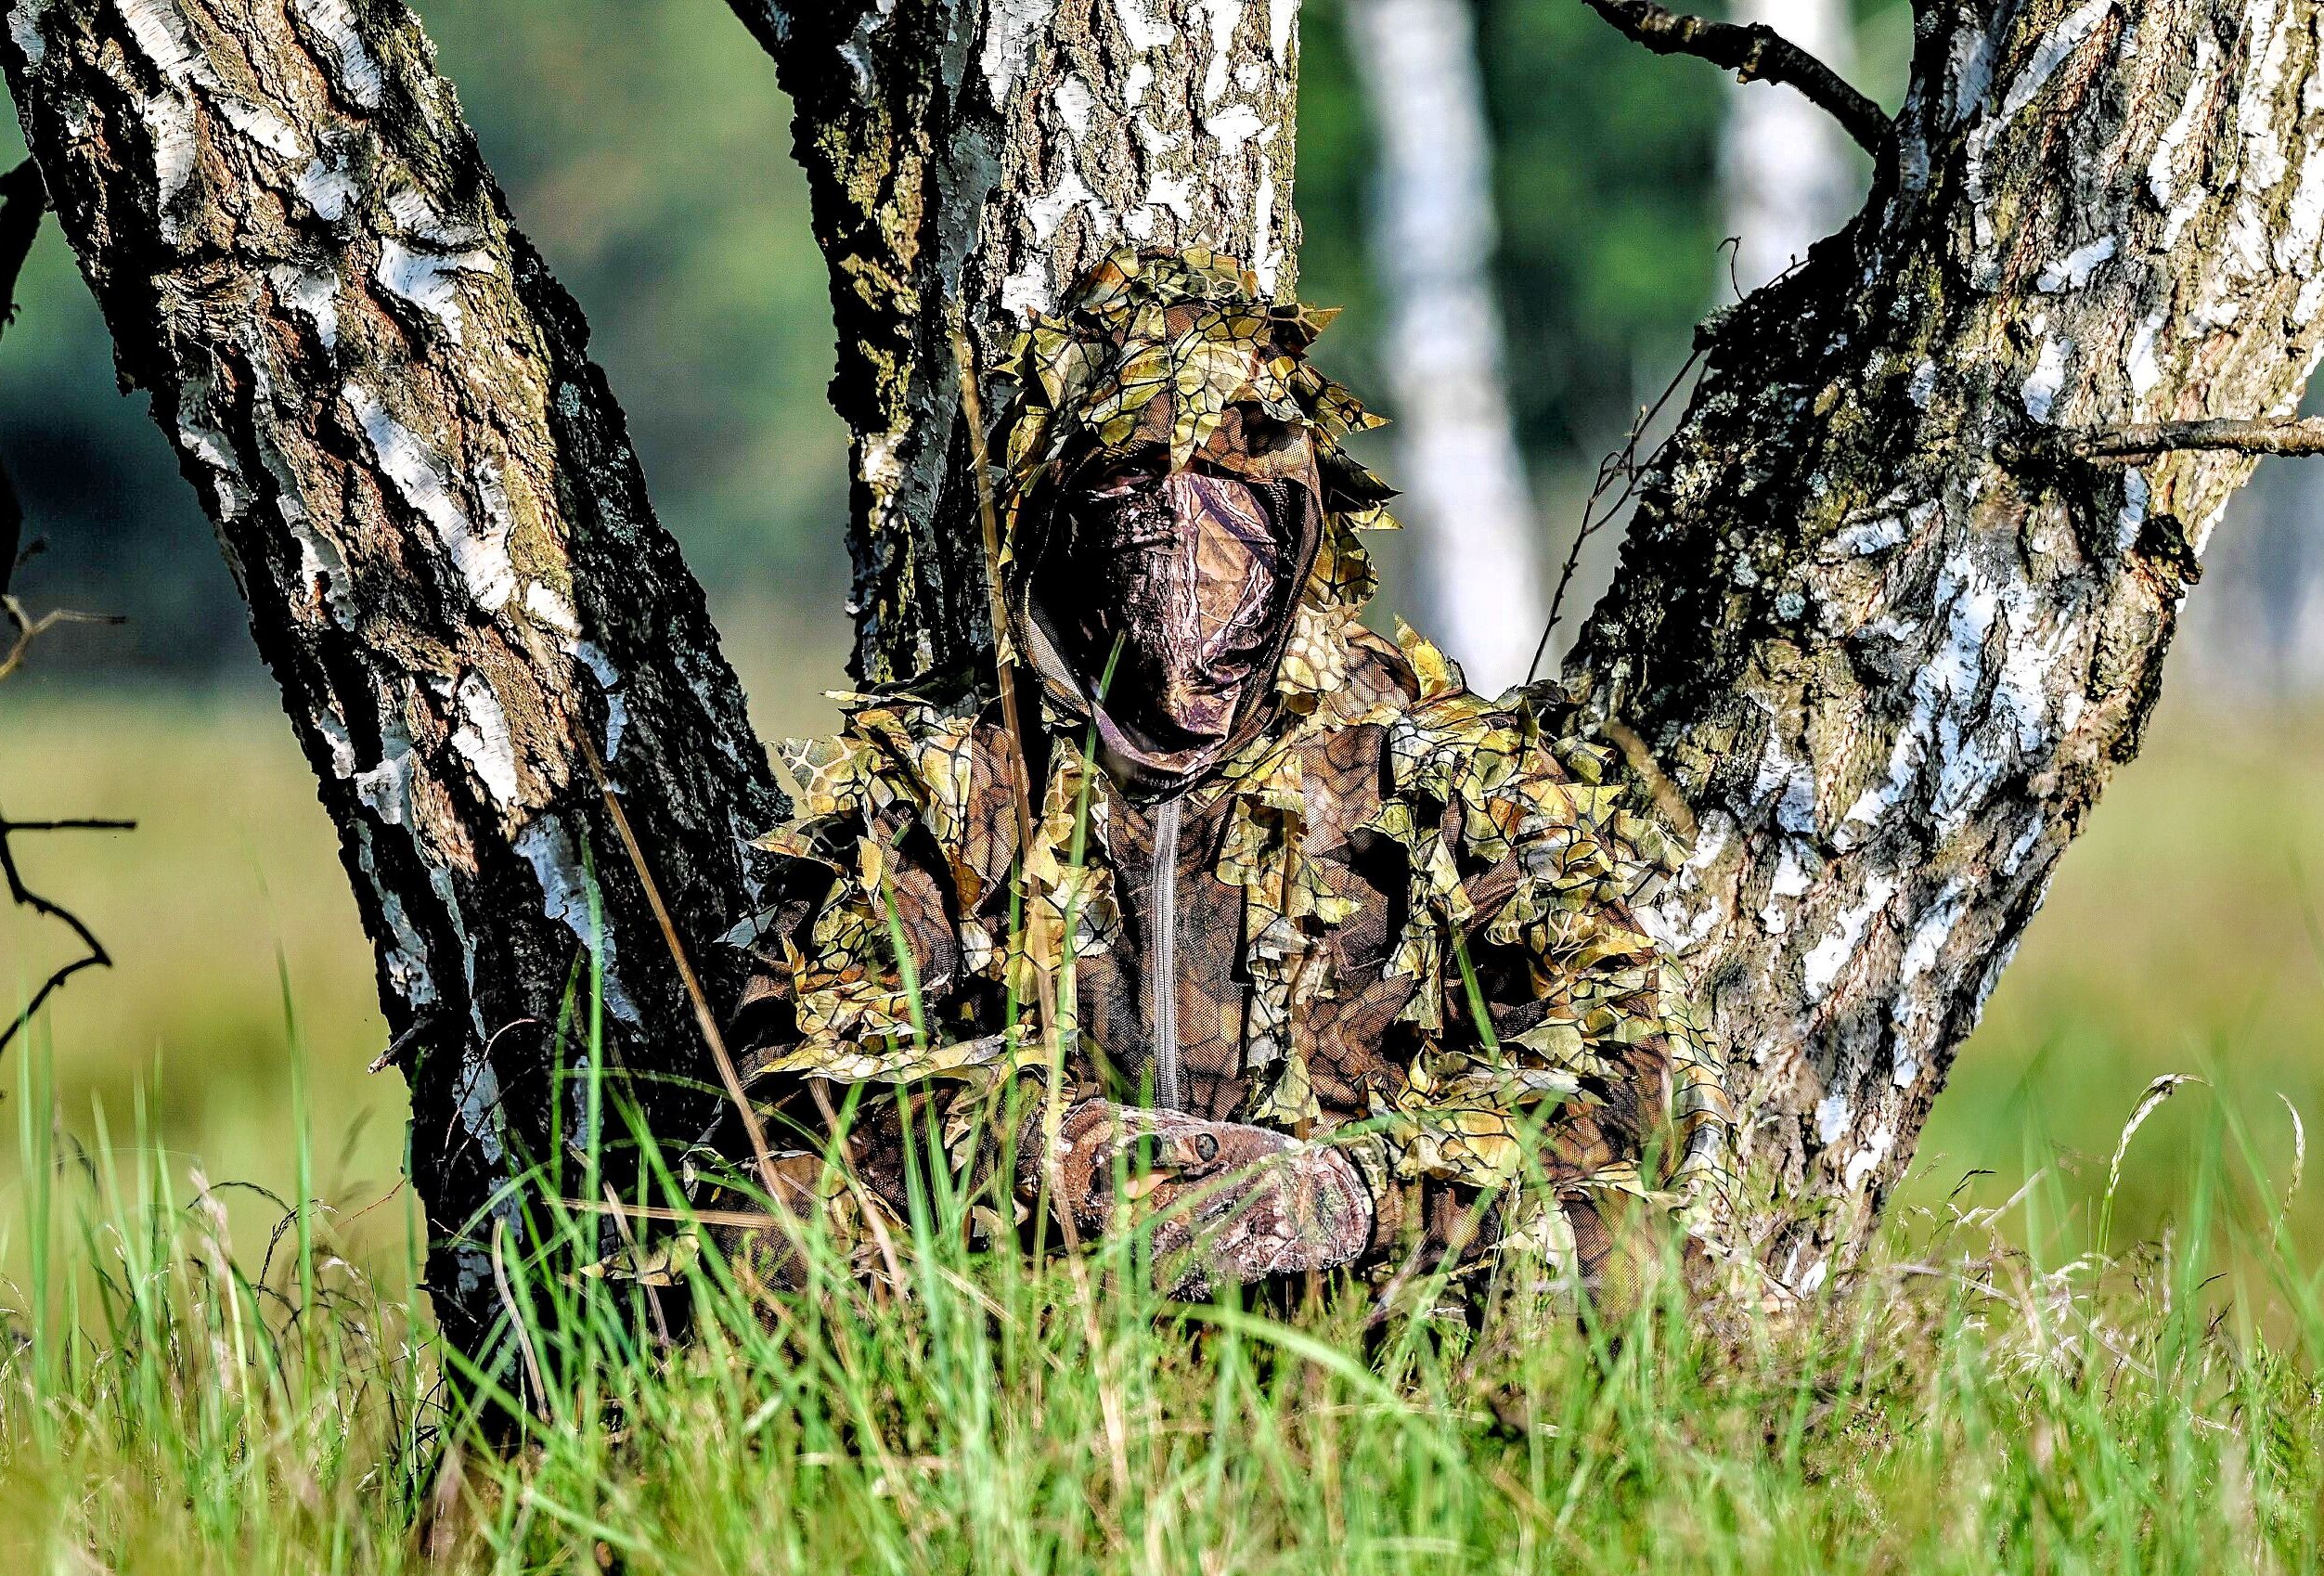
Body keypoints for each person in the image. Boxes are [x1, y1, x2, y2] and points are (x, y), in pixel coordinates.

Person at [717, 248, 1733, 1312]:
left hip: (1362, 1338)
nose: (1176, 539)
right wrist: (1030, 1147)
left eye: (1228, 491)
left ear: (1296, 525)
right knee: (768, 1226)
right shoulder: (948, 774)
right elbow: (784, 1076)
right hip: (1039, 1325)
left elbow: (1628, 1078)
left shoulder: (1438, 769)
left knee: (1606, 1253)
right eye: (1126, 487)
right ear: (1050, 524)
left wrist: (1344, 1192)